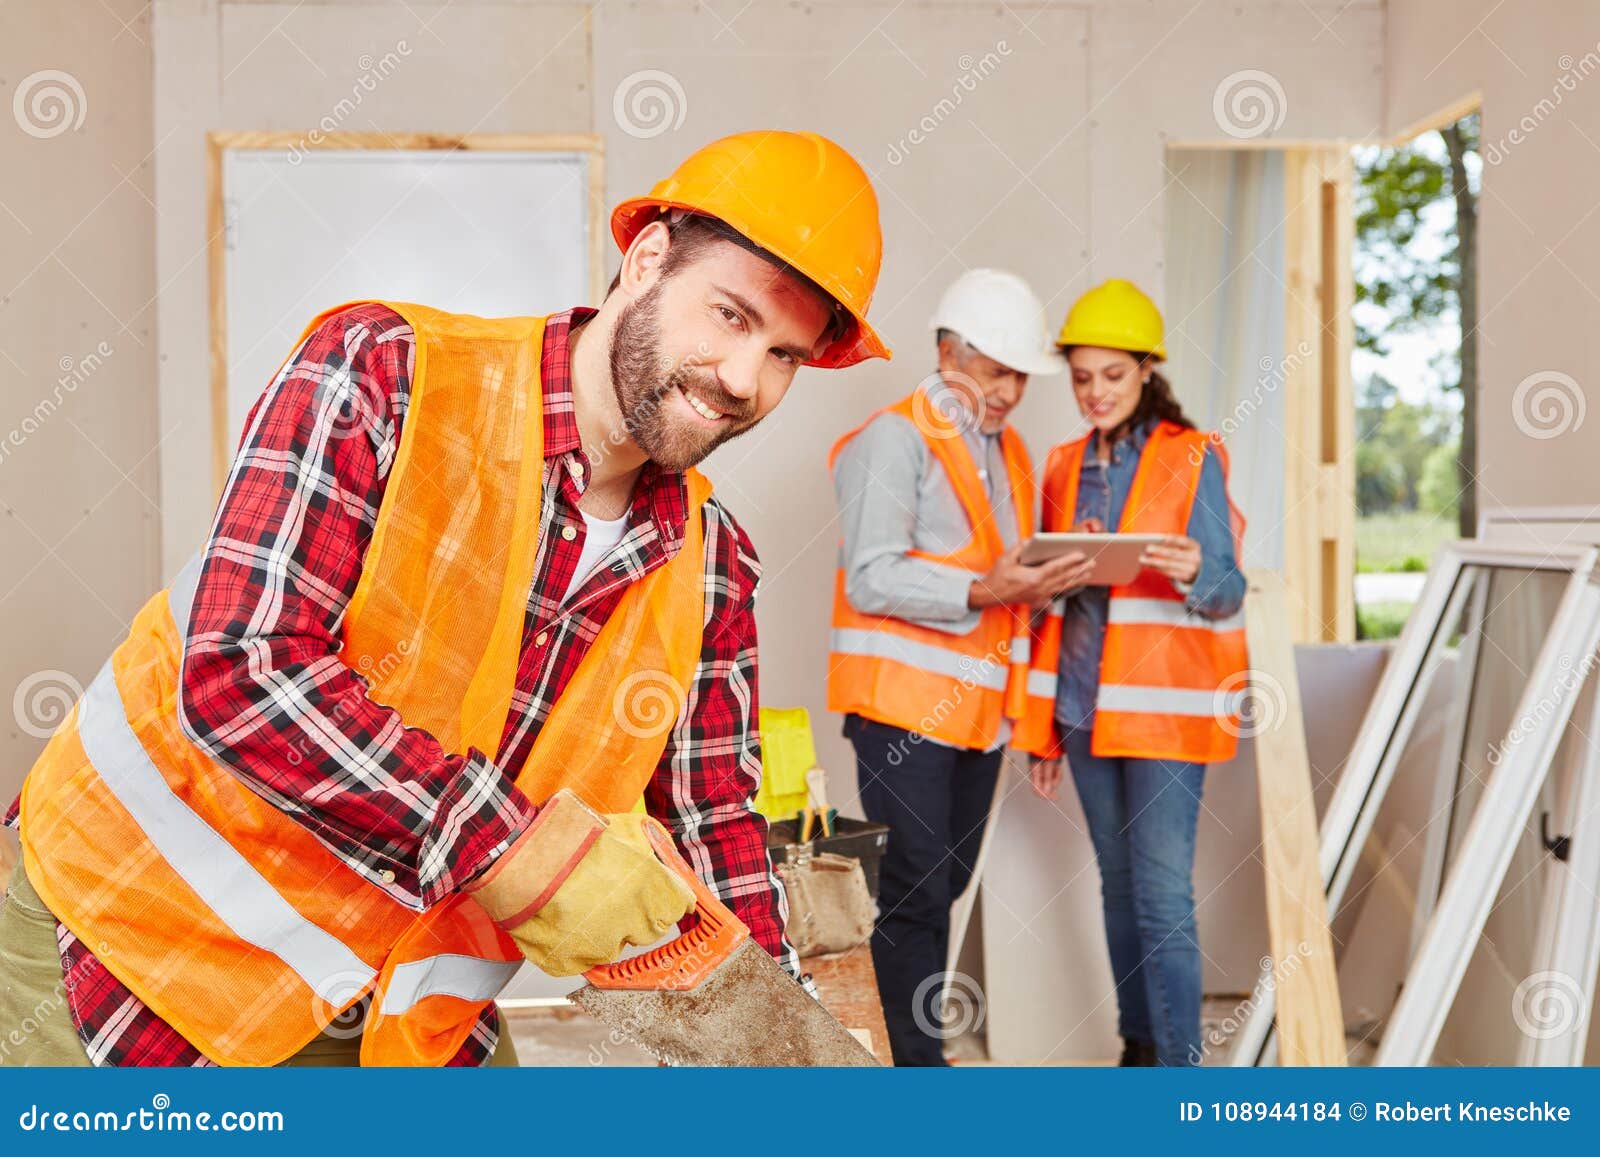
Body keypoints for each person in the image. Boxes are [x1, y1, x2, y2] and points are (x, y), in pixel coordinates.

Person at [0, 130, 890, 1067]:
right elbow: (242, 670)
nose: (745, 380)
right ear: (647, 257)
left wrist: (780, 1062)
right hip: (123, 939)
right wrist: (524, 857)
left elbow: (713, 825)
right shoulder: (388, 375)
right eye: (730, 316)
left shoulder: (711, 567)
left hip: (389, 1010)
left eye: (786, 355)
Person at [828, 268, 1087, 1065]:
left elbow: (1002, 573)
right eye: (996, 368)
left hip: (977, 711)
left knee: (943, 887)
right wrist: (986, 587)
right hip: (901, 711)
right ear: (948, 353)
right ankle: (915, 1070)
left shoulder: (1007, 452)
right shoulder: (893, 438)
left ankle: (908, 1049)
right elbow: (872, 573)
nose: (1010, 389)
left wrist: (1040, 586)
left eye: (1019, 374)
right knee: (913, 893)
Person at [1011, 278, 1248, 1068]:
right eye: (1081, 377)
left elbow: (1228, 591)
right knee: (1119, 887)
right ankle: (1139, 1051)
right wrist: (1041, 728)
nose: (1094, 392)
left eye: (1112, 374)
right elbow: (1049, 609)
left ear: (1146, 369)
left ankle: (1182, 1071)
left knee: (1162, 896)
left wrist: (1194, 569)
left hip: (1164, 715)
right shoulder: (1062, 463)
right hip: (1082, 710)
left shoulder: (1193, 454)